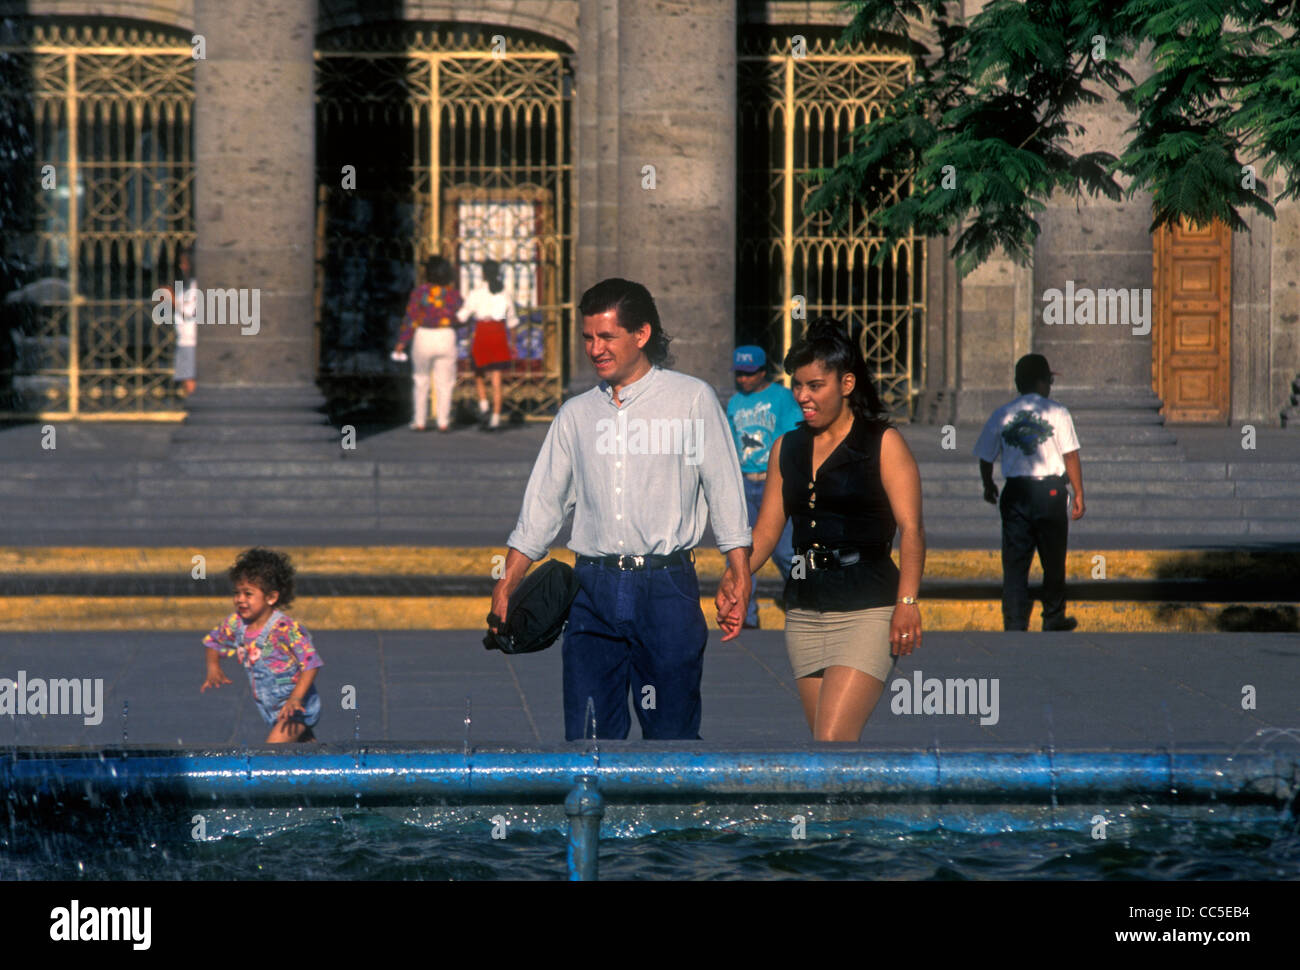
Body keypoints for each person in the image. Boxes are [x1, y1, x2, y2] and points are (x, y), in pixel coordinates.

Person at [490, 278, 752, 741]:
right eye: (589, 338)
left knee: (672, 738)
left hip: (666, 590)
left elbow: (724, 489)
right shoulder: (576, 414)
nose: (595, 349)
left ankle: (669, 816)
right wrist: (508, 581)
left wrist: (738, 570)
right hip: (590, 591)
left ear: (642, 334)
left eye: (607, 336)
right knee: (588, 740)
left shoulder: (690, 399)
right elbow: (543, 505)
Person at [717, 318, 925, 742]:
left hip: (868, 608)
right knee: (826, 756)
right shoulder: (786, 447)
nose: (803, 397)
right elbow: (767, 531)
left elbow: (913, 529)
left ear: (846, 383)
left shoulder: (882, 442)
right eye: (798, 386)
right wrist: (736, 577)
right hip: (805, 611)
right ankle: (850, 810)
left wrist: (907, 600)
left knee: (832, 742)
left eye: (815, 386)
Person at [973, 353, 1086, 632]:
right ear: (1041, 382)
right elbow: (1070, 456)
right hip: (1050, 492)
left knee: (1014, 562)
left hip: (1016, 492)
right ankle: (1053, 617)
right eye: (1048, 380)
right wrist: (1080, 493)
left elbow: (985, 456)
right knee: (1053, 559)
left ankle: (1014, 620)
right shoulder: (1058, 412)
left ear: (1017, 382)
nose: (1050, 385)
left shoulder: (1003, 414)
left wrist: (988, 484)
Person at [201, 548, 323, 743]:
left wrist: (296, 698)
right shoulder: (236, 623)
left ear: (271, 598)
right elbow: (213, 642)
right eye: (237, 593)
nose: (240, 599)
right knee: (306, 749)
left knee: (270, 753)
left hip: (296, 709)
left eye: (248, 594)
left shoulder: (285, 629)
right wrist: (213, 667)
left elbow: (311, 664)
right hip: (271, 709)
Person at [726, 344, 801, 628]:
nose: (743, 379)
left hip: (775, 482)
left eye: (748, 373)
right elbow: (732, 440)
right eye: (739, 374)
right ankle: (745, 612)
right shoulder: (734, 402)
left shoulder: (782, 398)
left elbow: (792, 434)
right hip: (744, 482)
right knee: (741, 550)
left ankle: (803, 598)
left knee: (785, 550)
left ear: (762, 372)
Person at [393, 256, 463, 432]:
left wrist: (402, 341)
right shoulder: (453, 295)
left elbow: (411, 318)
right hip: (446, 336)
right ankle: (443, 421)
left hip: (423, 336)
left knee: (421, 379)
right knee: (445, 382)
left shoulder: (419, 292)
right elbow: (462, 317)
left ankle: (420, 421)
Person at [457, 259, 518, 431]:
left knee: (478, 372)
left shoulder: (476, 294)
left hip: (482, 334)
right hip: (498, 334)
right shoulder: (504, 294)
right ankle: (496, 418)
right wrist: (513, 343)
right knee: (496, 379)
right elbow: (512, 322)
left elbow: (462, 316)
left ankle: (484, 405)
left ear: (483, 274)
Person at [170, 247, 198, 396]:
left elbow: (190, 312)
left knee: (189, 378)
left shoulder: (196, 287)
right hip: (185, 339)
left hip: (191, 340)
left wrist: (172, 300)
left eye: (184, 263)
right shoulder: (187, 286)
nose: (182, 266)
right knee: (187, 377)